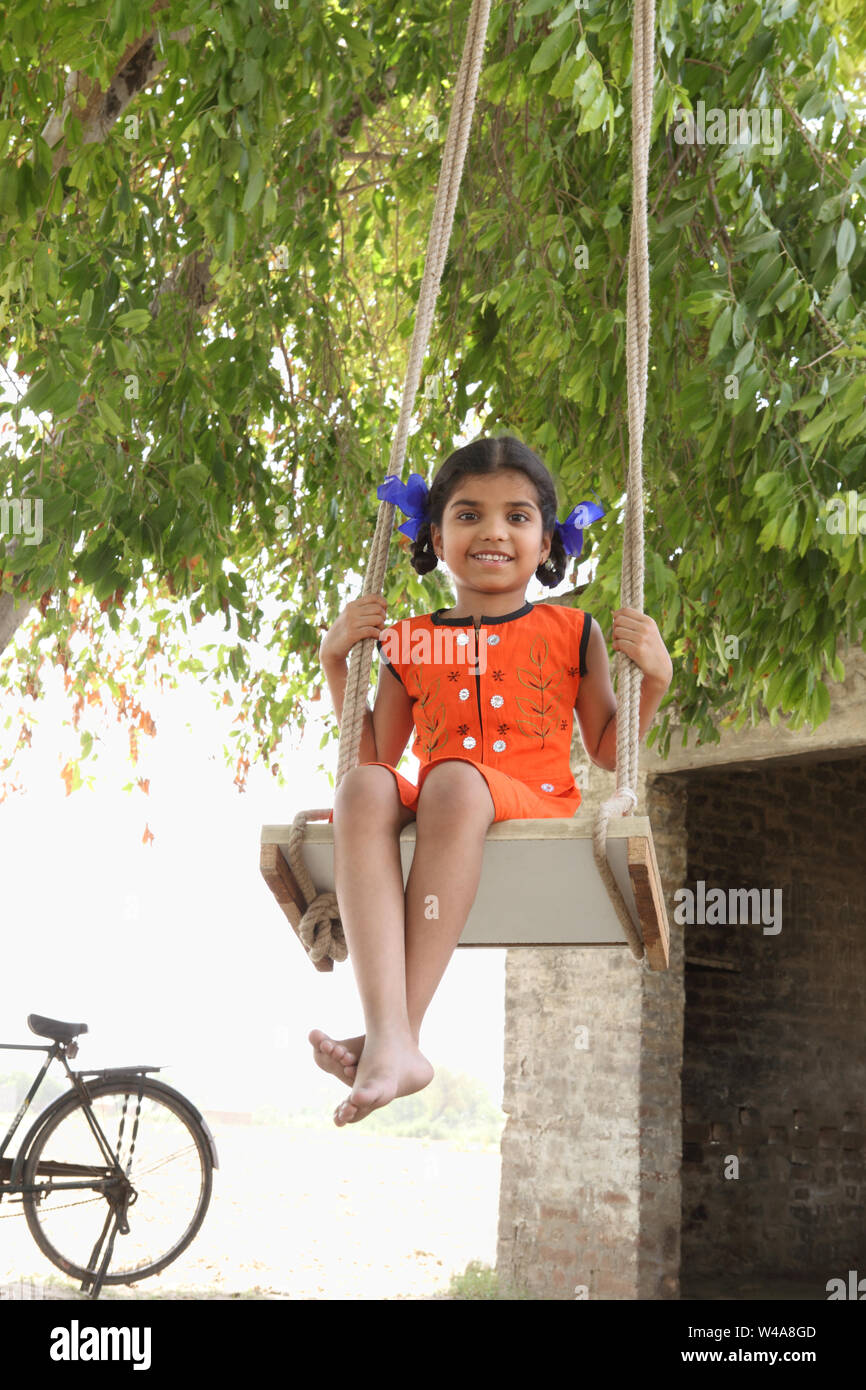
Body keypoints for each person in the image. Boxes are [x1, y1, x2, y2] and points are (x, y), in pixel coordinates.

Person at [311, 435, 673, 1126]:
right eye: (469, 514)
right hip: (445, 795)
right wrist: (338, 666)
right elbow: (375, 756)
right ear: (436, 538)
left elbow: (606, 750)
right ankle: (394, 1038)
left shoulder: (573, 631)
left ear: (545, 544)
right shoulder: (409, 639)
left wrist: (652, 680)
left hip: (529, 796)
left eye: (517, 516)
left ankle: (393, 1039)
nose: (494, 531)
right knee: (363, 789)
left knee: (448, 779)